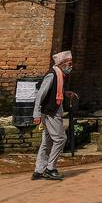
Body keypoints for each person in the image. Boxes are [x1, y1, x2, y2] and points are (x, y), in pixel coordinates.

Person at [33, 50, 75, 181]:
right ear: (61, 64)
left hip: (52, 111)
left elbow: (55, 91)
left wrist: (65, 93)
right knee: (61, 139)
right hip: (51, 112)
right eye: (69, 63)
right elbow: (40, 94)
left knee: (47, 141)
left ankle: (39, 170)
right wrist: (36, 113)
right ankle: (50, 168)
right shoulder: (52, 75)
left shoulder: (60, 75)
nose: (71, 66)